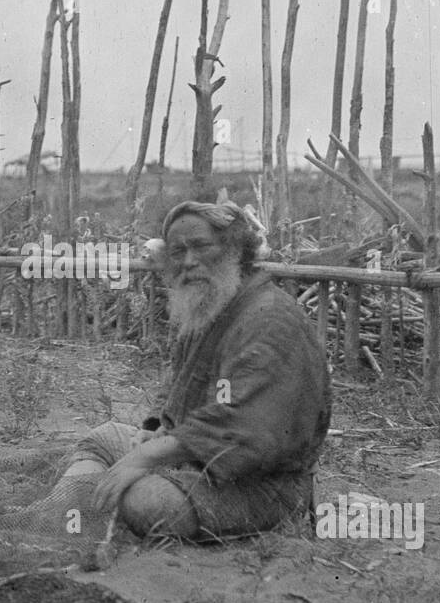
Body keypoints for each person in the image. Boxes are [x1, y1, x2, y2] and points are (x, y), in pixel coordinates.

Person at [62, 200, 331, 541]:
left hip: (264, 487)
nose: (189, 262)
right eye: (178, 251)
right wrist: (158, 430)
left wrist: (151, 454)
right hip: (196, 463)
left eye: (202, 246)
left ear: (235, 250)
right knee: (103, 437)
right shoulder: (213, 306)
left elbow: (250, 427)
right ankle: (60, 515)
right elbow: (178, 389)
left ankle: (84, 509)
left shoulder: (270, 319)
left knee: (147, 501)